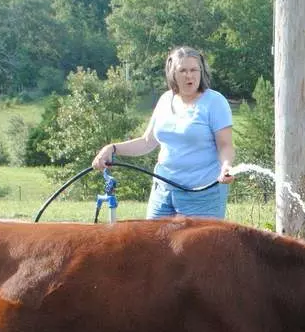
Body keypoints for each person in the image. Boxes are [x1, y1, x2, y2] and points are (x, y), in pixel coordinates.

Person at [92, 46, 236, 219]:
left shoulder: (215, 102)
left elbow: (225, 145)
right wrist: (112, 148)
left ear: (202, 72)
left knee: (197, 247)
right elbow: (147, 142)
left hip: (202, 194)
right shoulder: (165, 99)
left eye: (193, 70)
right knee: (151, 245)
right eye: (182, 70)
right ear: (172, 74)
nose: (189, 76)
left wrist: (226, 166)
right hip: (163, 191)